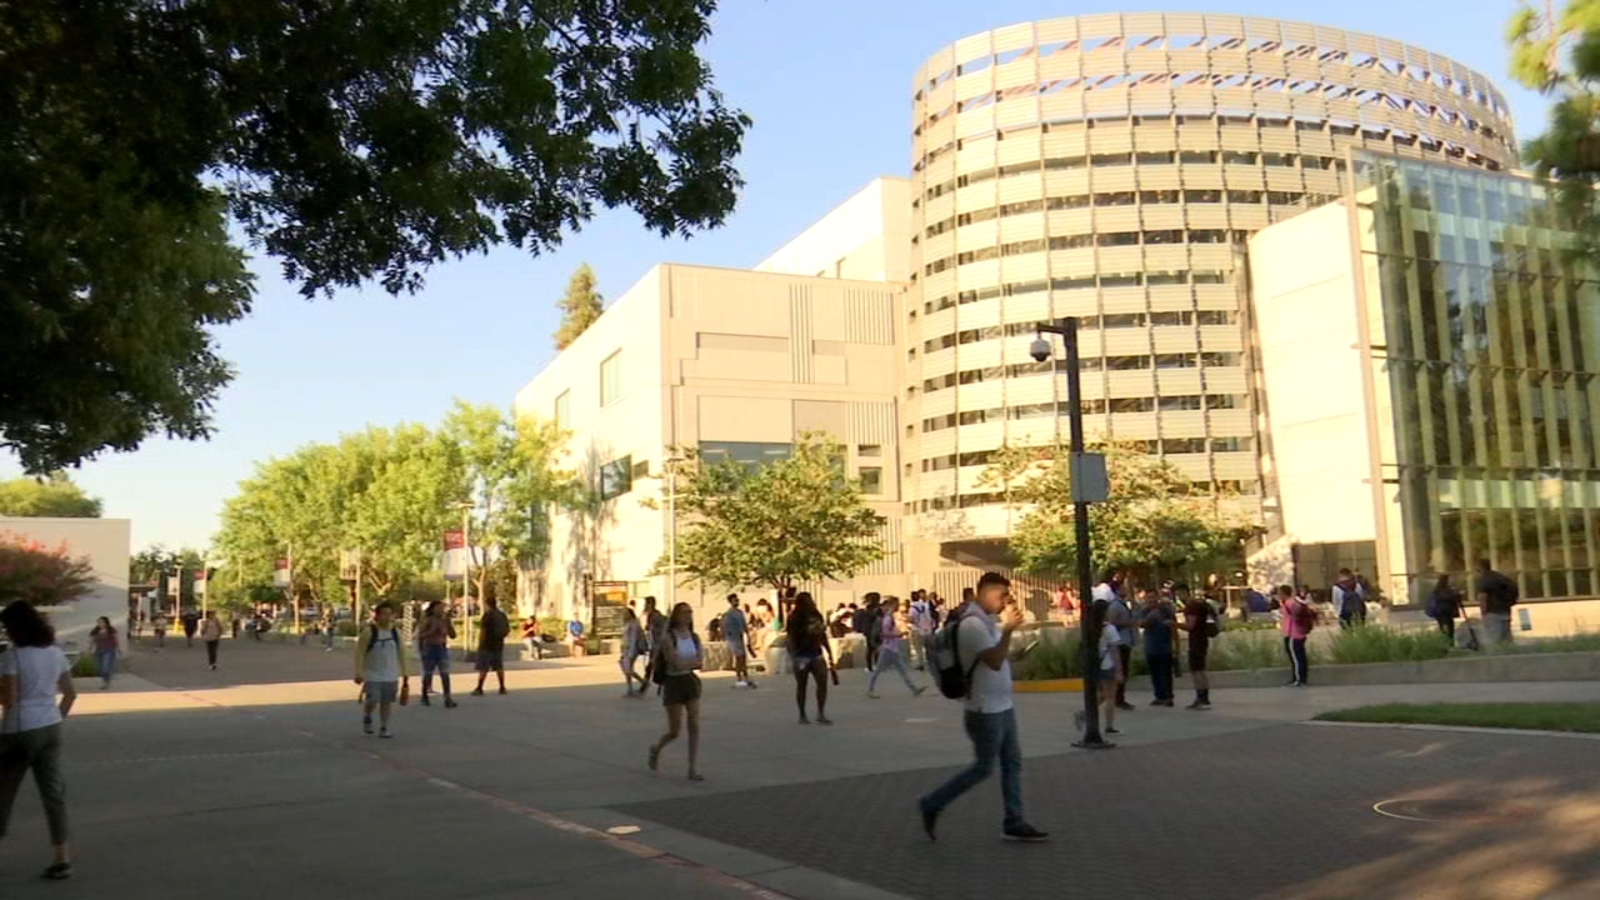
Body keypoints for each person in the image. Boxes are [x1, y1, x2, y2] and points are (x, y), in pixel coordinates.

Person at [918, 572, 1048, 843]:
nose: (1005, 602)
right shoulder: (972, 625)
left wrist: (1010, 646)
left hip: (1002, 706)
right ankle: (932, 803)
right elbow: (993, 661)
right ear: (985, 592)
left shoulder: (986, 623)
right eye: (1002, 595)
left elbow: (996, 656)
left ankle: (1014, 820)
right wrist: (1009, 629)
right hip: (984, 710)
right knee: (984, 768)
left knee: (1011, 763)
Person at [0, 601, 77, 879]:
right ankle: (62, 857)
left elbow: (8, 700)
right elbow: (70, 694)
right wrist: (55, 718)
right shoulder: (55, 653)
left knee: (4, 794)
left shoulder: (12, 657)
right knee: (54, 795)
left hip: (19, 730)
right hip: (51, 727)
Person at [646, 602, 704, 781]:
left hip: (690, 680)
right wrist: (690, 662)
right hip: (673, 683)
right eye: (684, 612)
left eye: (690, 612)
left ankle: (692, 768)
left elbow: (700, 661)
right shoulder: (669, 637)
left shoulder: (694, 637)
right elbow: (673, 662)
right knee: (675, 730)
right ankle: (656, 748)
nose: (688, 615)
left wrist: (689, 663)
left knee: (694, 723)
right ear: (676, 616)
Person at [354, 602, 409, 739]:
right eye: (384, 614)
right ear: (377, 616)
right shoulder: (369, 633)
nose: (387, 617)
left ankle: (384, 727)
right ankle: (367, 715)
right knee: (373, 699)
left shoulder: (395, 633)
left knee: (386, 701)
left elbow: (402, 652)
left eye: (389, 614)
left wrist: (405, 672)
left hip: (391, 674)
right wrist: (359, 672)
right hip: (372, 674)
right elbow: (359, 653)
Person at [785, 592, 835, 725]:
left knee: (821, 683)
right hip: (802, 654)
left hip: (814, 653)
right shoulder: (794, 618)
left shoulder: (816, 615)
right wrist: (794, 654)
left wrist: (829, 652)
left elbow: (822, 634)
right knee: (803, 685)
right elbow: (790, 637)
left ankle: (819, 713)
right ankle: (804, 714)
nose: (811, 602)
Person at [868, 597, 926, 699]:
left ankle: (914, 689)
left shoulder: (889, 617)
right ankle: (870, 690)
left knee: (901, 670)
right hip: (888, 648)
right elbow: (884, 633)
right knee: (879, 670)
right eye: (896, 605)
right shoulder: (888, 618)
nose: (897, 607)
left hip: (892, 648)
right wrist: (898, 634)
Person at [1095, 573, 1135, 712]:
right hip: (1120, 641)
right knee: (1118, 673)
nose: (1126, 589)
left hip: (1125, 640)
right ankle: (1117, 699)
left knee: (1124, 670)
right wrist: (1128, 623)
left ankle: (1118, 698)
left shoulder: (1123, 604)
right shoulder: (1115, 605)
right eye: (1123, 587)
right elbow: (1112, 622)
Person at [1177, 586, 1216, 710]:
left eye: (1179, 594)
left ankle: (1201, 698)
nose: (1179, 598)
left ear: (1185, 593)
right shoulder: (1199, 604)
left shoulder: (1191, 606)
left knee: (1196, 670)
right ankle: (1204, 697)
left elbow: (1190, 625)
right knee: (1201, 669)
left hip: (1196, 640)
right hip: (1202, 638)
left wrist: (1175, 624)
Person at [417, 600, 458, 708]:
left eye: (442, 608)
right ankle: (424, 696)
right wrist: (431, 632)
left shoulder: (444, 620)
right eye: (438, 608)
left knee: (445, 673)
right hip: (429, 648)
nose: (440, 610)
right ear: (433, 609)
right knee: (428, 673)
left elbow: (453, 635)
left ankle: (447, 698)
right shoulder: (428, 620)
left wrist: (449, 624)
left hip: (442, 648)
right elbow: (420, 636)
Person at [1138, 590, 1176, 707]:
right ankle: (1159, 696)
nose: (1151, 600)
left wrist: (1175, 646)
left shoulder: (1166, 610)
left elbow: (1173, 626)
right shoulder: (1144, 611)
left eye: (1153, 597)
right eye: (1148, 598)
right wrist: (1150, 616)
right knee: (1155, 673)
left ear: (1157, 597)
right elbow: (1142, 624)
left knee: (1166, 673)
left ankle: (1168, 697)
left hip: (1165, 645)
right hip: (1151, 646)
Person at [471, 597, 511, 697]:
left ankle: (479, 687)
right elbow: (507, 629)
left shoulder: (487, 615)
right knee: (498, 666)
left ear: (486, 604)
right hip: (498, 644)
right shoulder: (501, 615)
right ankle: (502, 687)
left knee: (483, 667)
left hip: (487, 644)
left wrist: (480, 644)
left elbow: (483, 630)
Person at [1475, 559, 1519, 645]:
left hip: (1492, 612)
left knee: (1493, 638)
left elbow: (1482, 597)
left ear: (1480, 568)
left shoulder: (1483, 579)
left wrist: (1483, 613)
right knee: (1506, 637)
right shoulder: (1501, 577)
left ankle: (1496, 655)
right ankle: (1509, 653)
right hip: (1505, 610)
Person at [1279, 585, 1313, 687]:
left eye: (1279, 593)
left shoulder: (1290, 603)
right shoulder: (1290, 602)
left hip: (1294, 634)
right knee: (1300, 656)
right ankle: (1301, 678)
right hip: (1296, 633)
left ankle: (1298, 679)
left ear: (1284, 593)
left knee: (1296, 658)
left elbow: (1297, 614)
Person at [722, 594, 755, 689]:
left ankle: (746, 677)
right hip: (733, 638)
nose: (737, 602)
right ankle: (739, 678)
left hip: (740, 637)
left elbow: (744, 624)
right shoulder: (729, 614)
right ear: (730, 602)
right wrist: (726, 636)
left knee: (743, 658)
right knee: (738, 658)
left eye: (737, 600)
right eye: (735, 600)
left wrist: (747, 634)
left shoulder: (740, 612)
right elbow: (725, 626)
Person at [1427, 574, 1465, 641]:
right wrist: (1457, 594)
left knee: (1449, 630)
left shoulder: (1446, 589)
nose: (1452, 581)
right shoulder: (1441, 590)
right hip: (1443, 613)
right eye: (1450, 579)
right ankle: (1447, 646)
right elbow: (1446, 597)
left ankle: (1449, 644)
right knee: (1447, 630)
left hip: (1446, 613)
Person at [619, 608, 647, 696]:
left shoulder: (634, 623)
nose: (624, 615)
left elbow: (634, 638)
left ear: (631, 614)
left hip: (631, 649)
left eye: (626, 613)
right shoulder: (626, 623)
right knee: (627, 669)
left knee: (628, 670)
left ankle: (643, 682)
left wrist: (631, 652)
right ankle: (629, 689)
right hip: (625, 649)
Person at [89, 617, 119, 690]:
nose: (100, 624)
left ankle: (106, 683)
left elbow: (116, 639)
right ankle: (106, 679)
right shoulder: (96, 631)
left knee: (105, 667)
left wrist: (118, 649)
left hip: (109, 650)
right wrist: (90, 648)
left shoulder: (111, 630)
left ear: (106, 622)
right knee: (99, 668)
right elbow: (92, 640)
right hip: (99, 651)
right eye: (98, 622)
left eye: (101, 622)